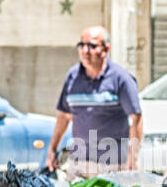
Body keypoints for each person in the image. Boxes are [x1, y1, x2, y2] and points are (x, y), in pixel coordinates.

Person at [47, 25, 143, 174]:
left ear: (106, 49)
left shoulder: (121, 78)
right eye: (82, 45)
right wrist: (52, 149)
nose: (85, 51)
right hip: (79, 163)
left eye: (91, 46)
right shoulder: (72, 77)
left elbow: (135, 118)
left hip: (113, 165)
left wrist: (132, 159)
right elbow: (64, 115)